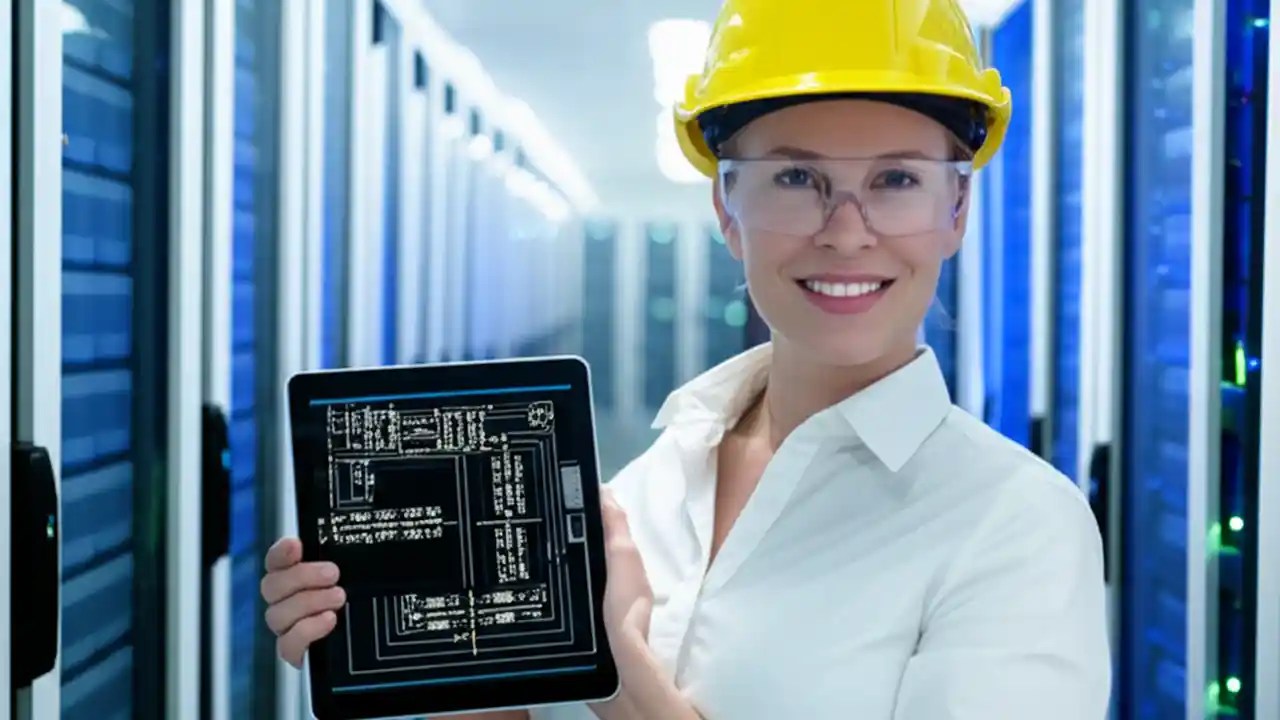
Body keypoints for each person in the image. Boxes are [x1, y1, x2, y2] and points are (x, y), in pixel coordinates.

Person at [259, 0, 1112, 717]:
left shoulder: (1019, 527)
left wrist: (619, 673)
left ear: (957, 208)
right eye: (794, 179)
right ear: (726, 207)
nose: (847, 231)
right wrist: (408, 662)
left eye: (896, 180)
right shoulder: (651, 483)